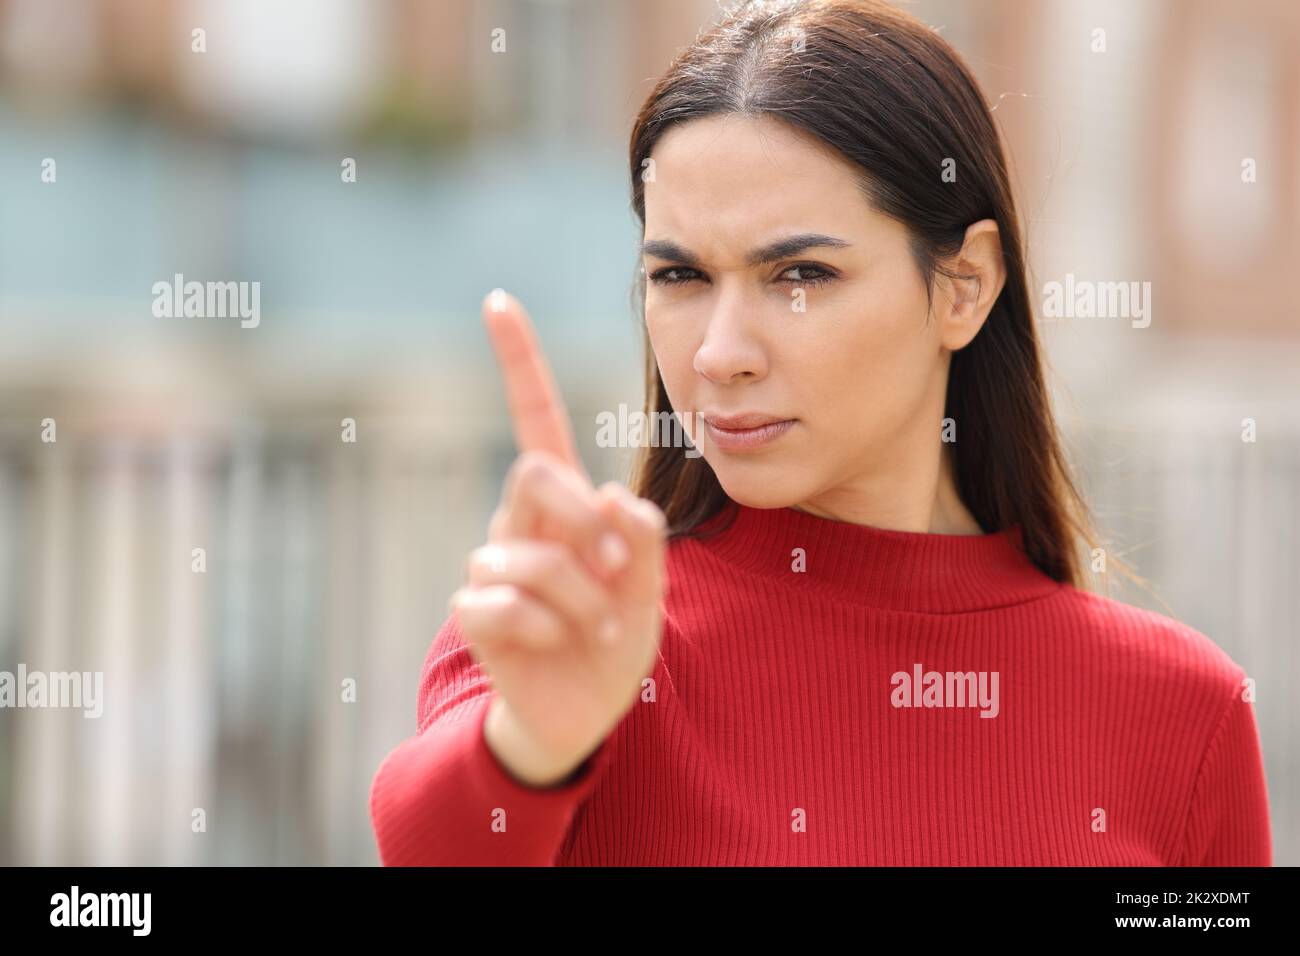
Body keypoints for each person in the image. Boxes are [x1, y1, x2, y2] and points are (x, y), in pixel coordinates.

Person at [369, 0, 1272, 866]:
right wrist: (531, 743)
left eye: (800, 273)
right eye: (680, 277)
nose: (720, 355)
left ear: (965, 284)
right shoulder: (586, 645)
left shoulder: (1184, 714)